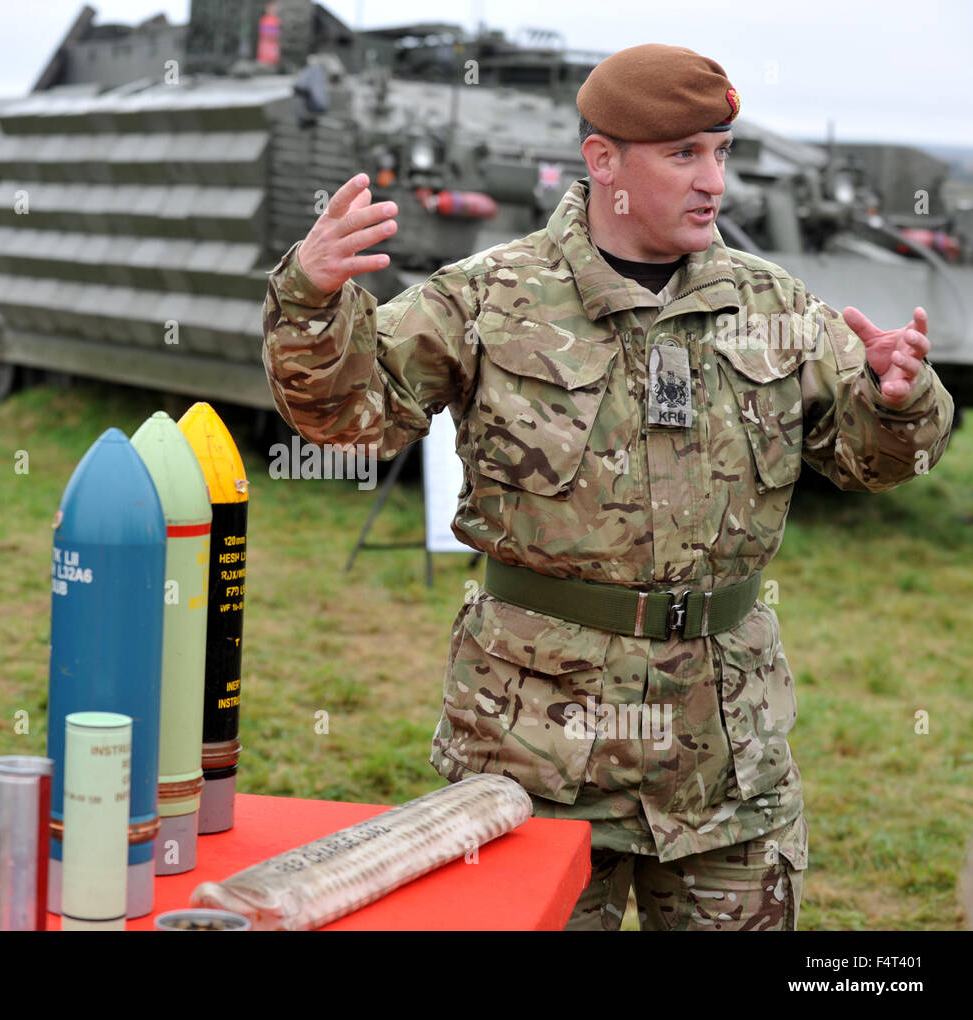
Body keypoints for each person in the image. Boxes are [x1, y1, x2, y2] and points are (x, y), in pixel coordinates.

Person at [260, 43, 955, 930]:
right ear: (603, 162)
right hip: (533, 756)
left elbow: (869, 460)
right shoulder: (488, 298)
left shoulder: (774, 306)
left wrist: (899, 403)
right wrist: (313, 305)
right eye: (684, 154)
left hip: (724, 763)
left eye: (722, 152)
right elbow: (346, 416)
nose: (715, 181)